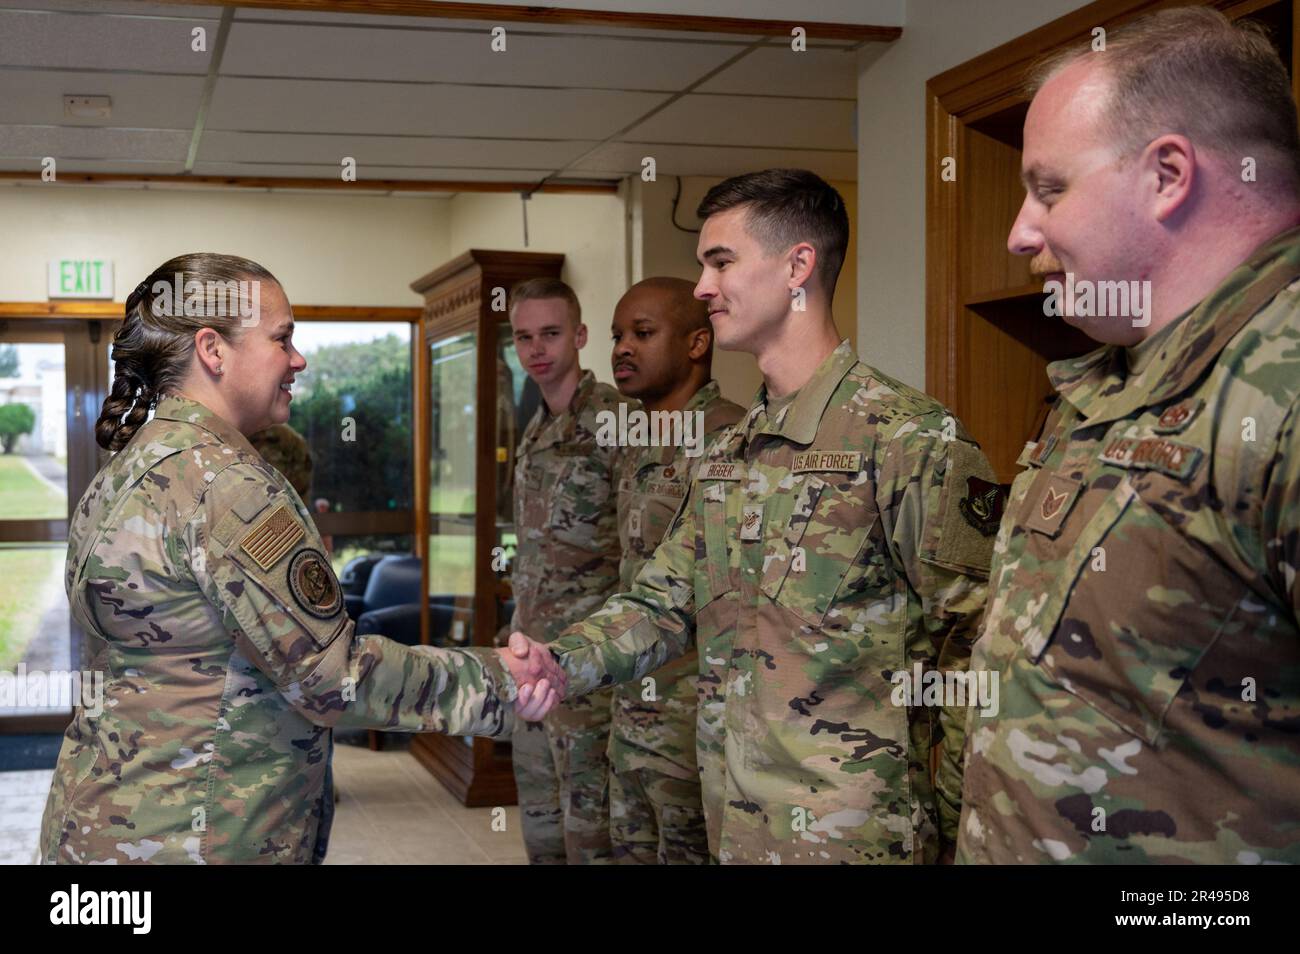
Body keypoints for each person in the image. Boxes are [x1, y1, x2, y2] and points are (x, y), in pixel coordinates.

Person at [511, 170, 1001, 864]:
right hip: (732, 826)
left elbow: (977, 658)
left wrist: (955, 837)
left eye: (721, 262)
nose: (704, 288)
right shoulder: (729, 453)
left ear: (798, 266)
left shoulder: (908, 440)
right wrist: (558, 664)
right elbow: (659, 601)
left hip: (856, 842)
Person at [40, 253, 562, 865]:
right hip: (200, 837)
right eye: (282, 338)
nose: (298, 358)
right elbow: (333, 679)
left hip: (102, 825)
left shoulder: (129, 467)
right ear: (213, 350)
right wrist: (502, 678)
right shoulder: (227, 485)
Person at [956, 7, 1300, 864]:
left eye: (1050, 188)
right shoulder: (1114, 379)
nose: (1020, 233)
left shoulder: (1279, 389)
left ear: (1168, 175)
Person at [606, 276, 744, 864]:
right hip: (630, 709)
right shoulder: (636, 441)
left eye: (642, 333)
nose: (621, 349)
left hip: (693, 724)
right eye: (616, 335)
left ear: (696, 343)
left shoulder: (735, 439)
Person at [507, 277, 624, 864]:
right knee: (541, 818)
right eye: (524, 337)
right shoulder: (535, 428)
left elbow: (643, 550)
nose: (537, 349)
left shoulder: (615, 423)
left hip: (588, 666)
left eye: (550, 333)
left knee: (590, 825)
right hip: (532, 658)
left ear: (579, 335)